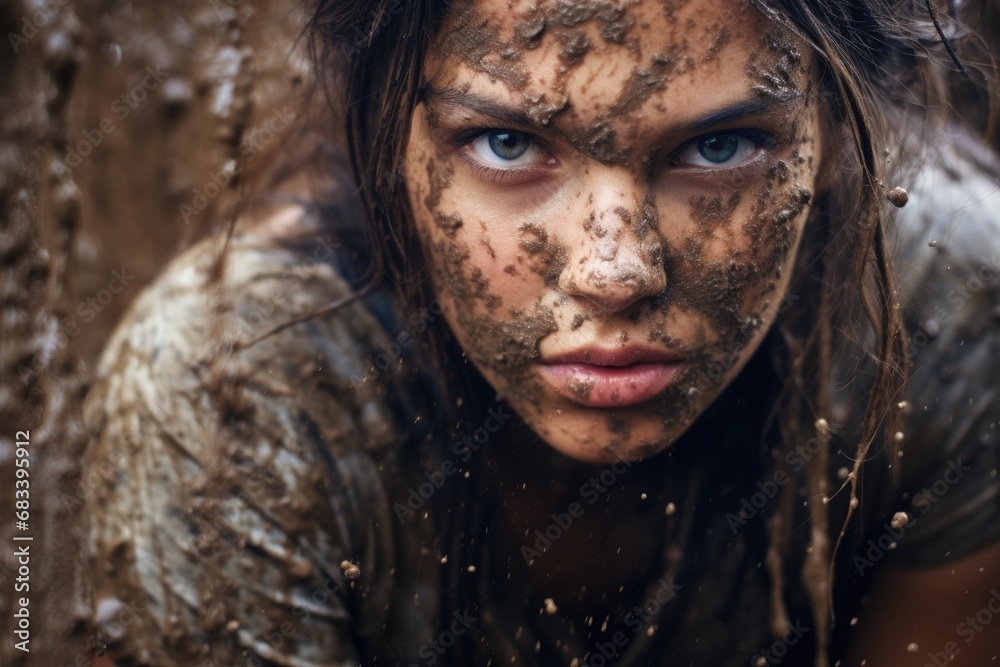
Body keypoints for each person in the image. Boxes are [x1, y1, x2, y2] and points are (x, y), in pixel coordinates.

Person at [82, 0, 1000, 665]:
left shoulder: (950, 312)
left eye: (719, 148)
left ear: (835, 135)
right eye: (508, 145)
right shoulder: (234, 401)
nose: (612, 273)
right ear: (391, 141)